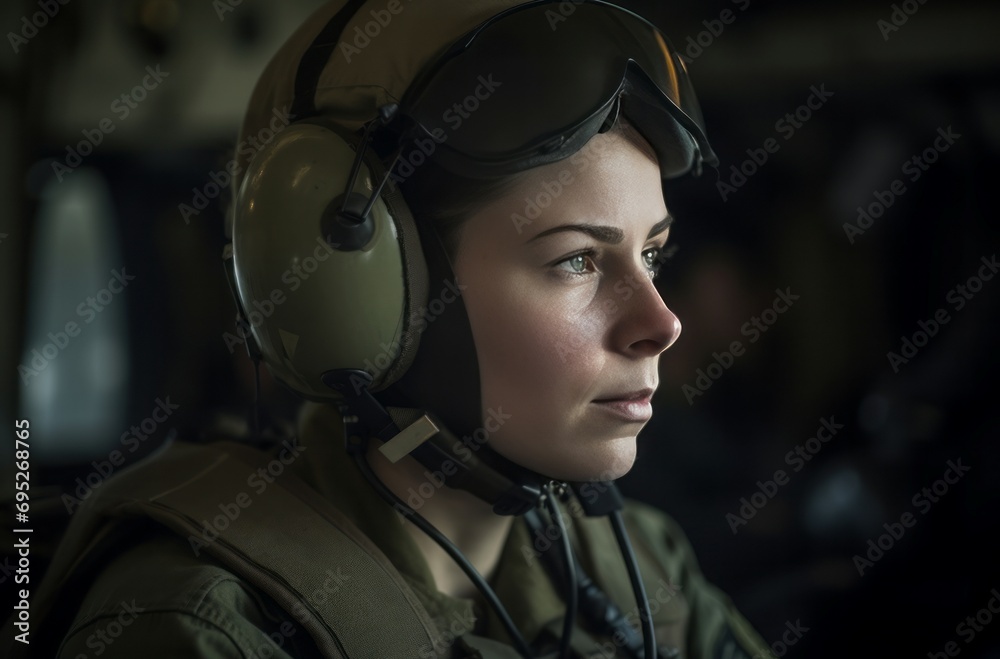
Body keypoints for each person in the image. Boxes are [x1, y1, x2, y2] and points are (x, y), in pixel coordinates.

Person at [8, 1, 774, 657]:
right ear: (366, 293)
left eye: (653, 254)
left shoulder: (636, 564)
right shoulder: (202, 626)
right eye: (576, 260)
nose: (661, 323)